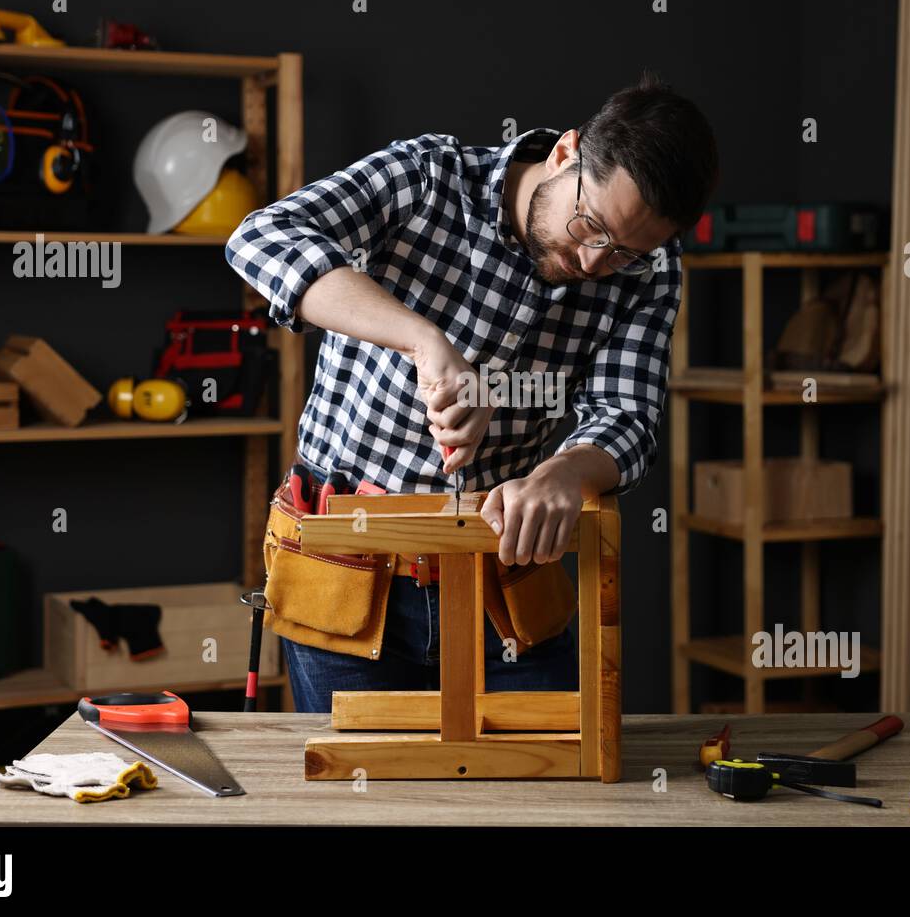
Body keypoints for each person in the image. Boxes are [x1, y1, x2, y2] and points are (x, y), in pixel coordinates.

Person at [225, 73, 718, 711]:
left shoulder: (652, 267)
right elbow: (261, 237)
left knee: (535, 802)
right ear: (565, 154)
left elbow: (628, 416)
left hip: (505, 581)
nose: (596, 263)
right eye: (589, 225)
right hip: (348, 567)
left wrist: (564, 474)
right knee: (367, 804)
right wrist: (422, 341)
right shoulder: (427, 177)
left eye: (623, 252)